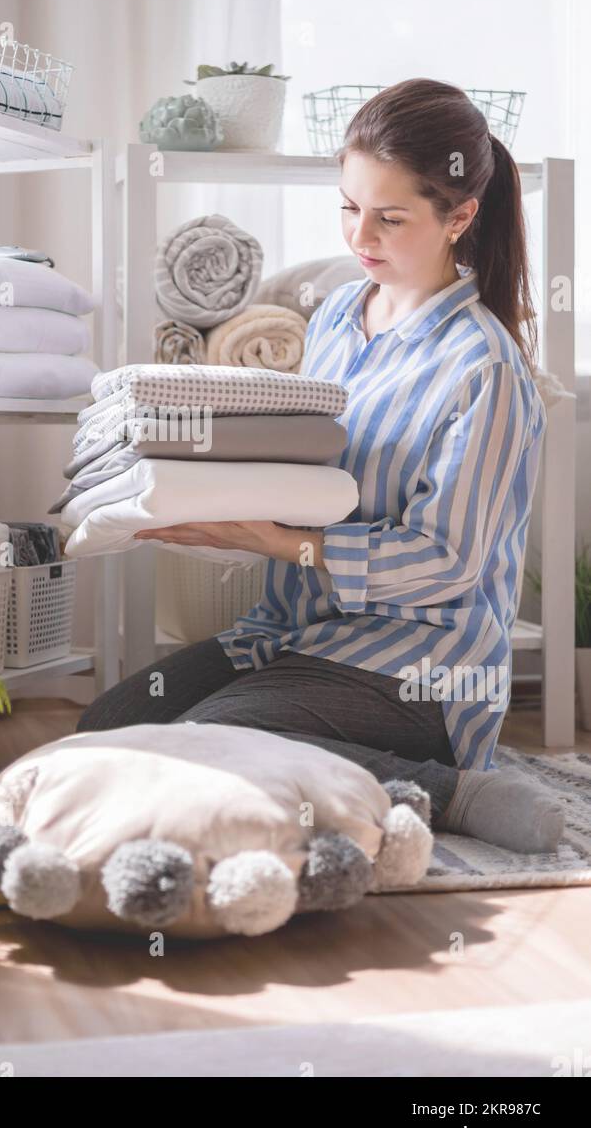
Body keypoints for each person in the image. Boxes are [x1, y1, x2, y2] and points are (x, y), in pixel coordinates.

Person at [76, 78, 563, 854]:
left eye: (390, 217)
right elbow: (304, 453)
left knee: (208, 742)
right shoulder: (340, 311)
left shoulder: (487, 371)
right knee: (105, 731)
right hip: (295, 632)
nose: (359, 235)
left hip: (420, 666)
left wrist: (272, 541)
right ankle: (336, 759)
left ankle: (449, 790)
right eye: (348, 206)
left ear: (460, 217)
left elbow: (450, 563)